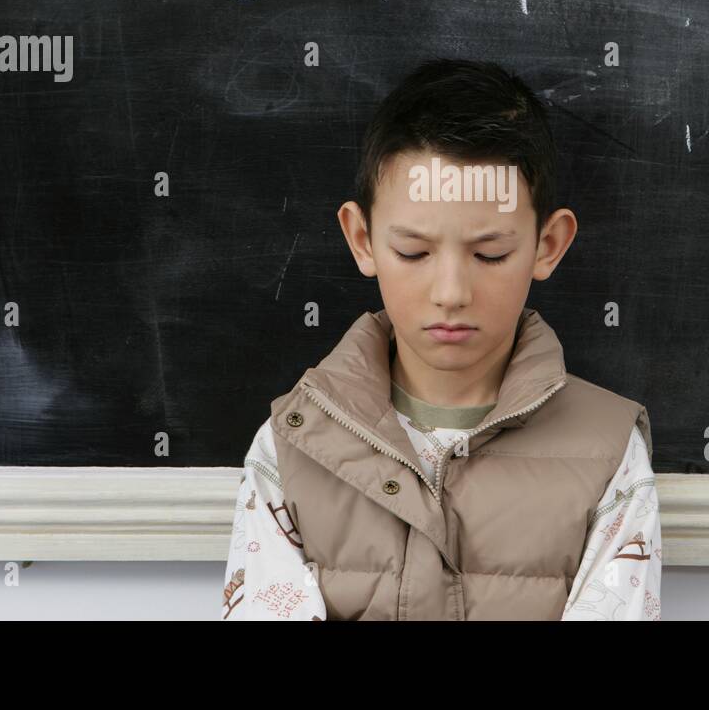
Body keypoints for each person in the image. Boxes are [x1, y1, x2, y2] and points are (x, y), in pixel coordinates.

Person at [222, 58, 660, 620]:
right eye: (413, 252)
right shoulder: (293, 445)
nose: (450, 292)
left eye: (490, 254)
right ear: (362, 239)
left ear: (548, 245)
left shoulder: (609, 453)